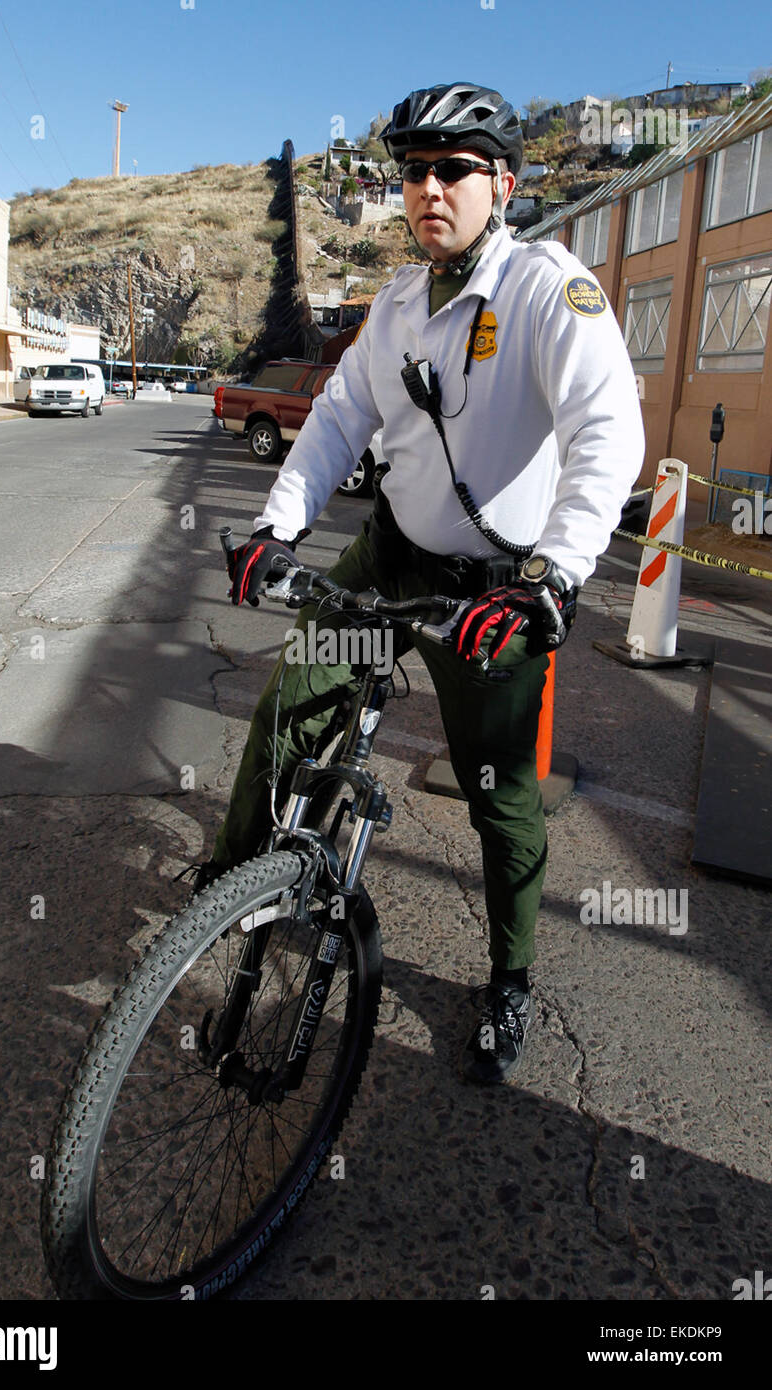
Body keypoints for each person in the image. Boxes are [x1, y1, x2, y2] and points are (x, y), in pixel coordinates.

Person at [198, 82, 645, 1083]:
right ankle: (226, 887)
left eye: (452, 170)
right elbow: (336, 421)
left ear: (504, 184)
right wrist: (276, 527)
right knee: (289, 707)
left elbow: (606, 434)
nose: (428, 189)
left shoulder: (546, 290)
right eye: (413, 171)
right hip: (393, 549)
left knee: (500, 798)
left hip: (492, 590)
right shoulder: (398, 303)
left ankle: (508, 981)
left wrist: (554, 576)